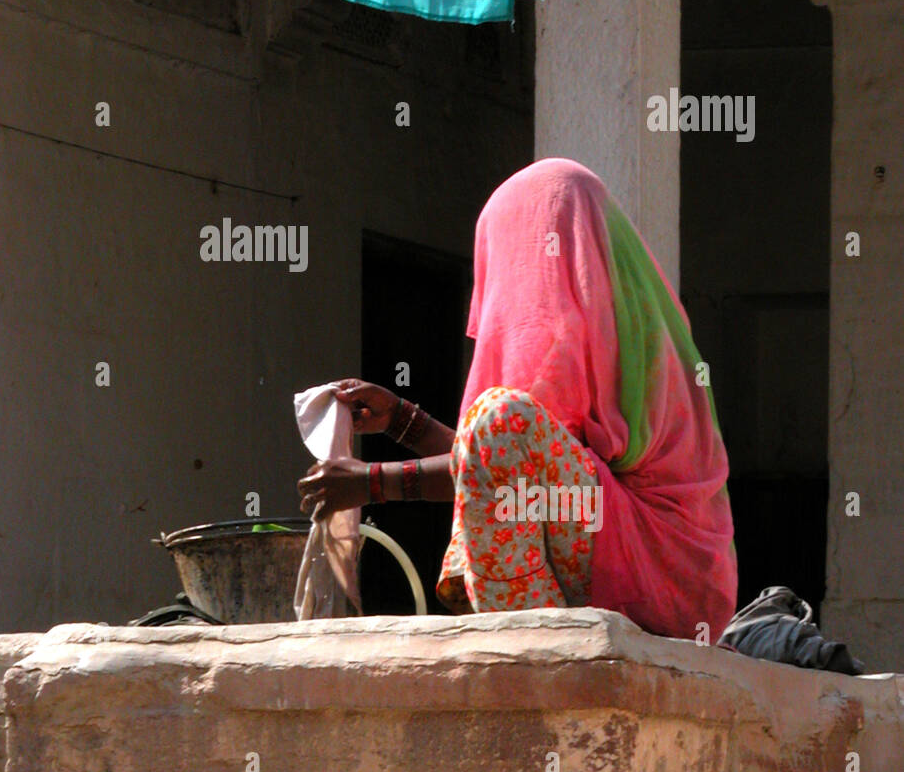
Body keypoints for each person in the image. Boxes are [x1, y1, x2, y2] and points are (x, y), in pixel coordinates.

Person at [297, 157, 736, 642]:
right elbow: (507, 468)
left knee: (499, 419)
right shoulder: (626, 325)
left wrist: (372, 483)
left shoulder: (610, 336)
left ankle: (534, 653)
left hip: (659, 576)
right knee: (499, 425)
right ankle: (530, 643)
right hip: (636, 558)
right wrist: (404, 421)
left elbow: (505, 456)